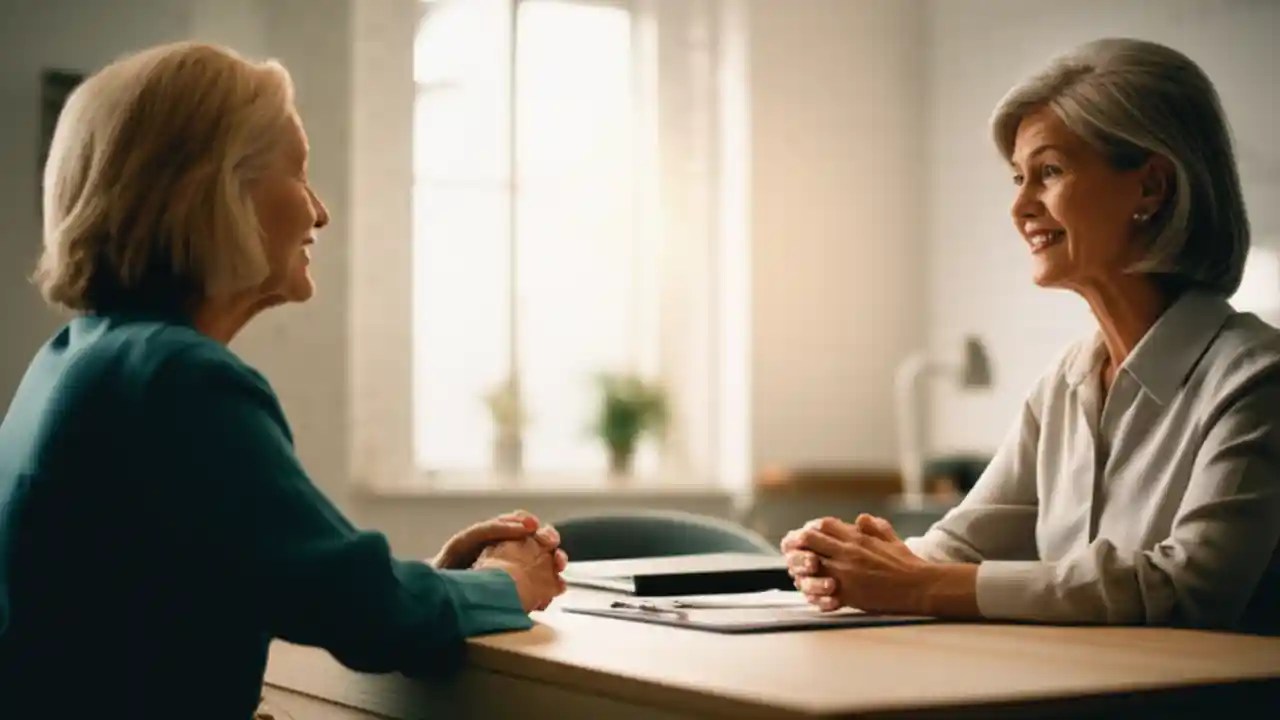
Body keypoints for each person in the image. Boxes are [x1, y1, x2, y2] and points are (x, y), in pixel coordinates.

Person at [0, 42, 567, 718]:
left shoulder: (75, 359)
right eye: (298, 173)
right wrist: (505, 584)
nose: (319, 212)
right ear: (218, 191)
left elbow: (285, 584)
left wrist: (435, 584)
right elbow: (365, 617)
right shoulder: (180, 381)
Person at [782, 38, 1280, 633]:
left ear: (1151, 188)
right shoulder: (1066, 383)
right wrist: (848, 562)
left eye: (1049, 171)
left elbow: (1188, 589)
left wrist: (918, 582)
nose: (1020, 206)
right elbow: (958, 548)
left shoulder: (1257, 379)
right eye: (1018, 177)